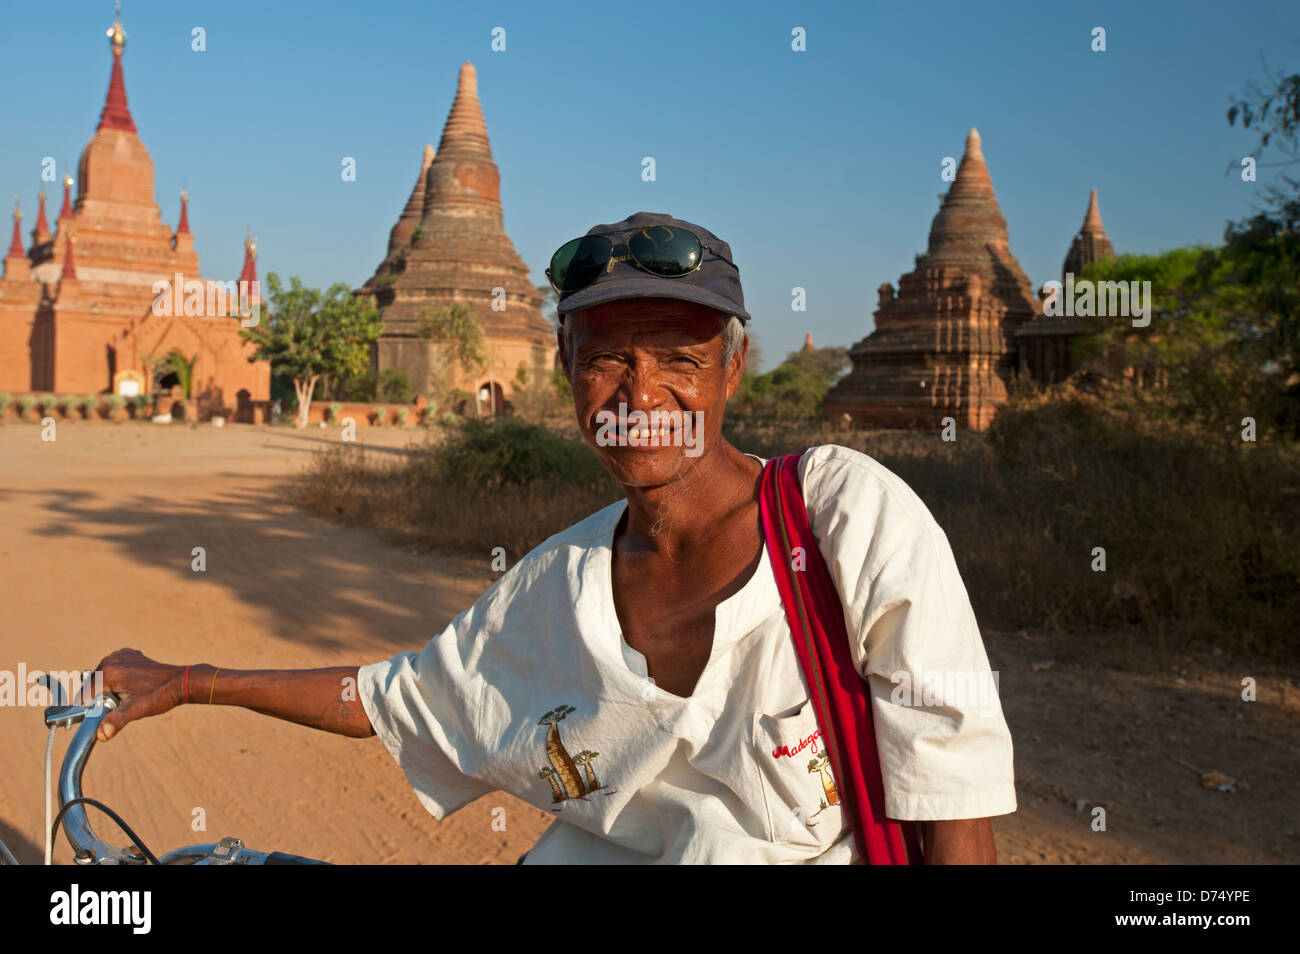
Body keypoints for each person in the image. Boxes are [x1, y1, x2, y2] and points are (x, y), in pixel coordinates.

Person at [91, 212, 1016, 864]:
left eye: (680, 361)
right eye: (608, 358)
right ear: (566, 370)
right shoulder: (557, 584)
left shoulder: (845, 517)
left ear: (734, 368)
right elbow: (396, 697)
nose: (640, 398)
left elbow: (954, 796)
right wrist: (191, 682)